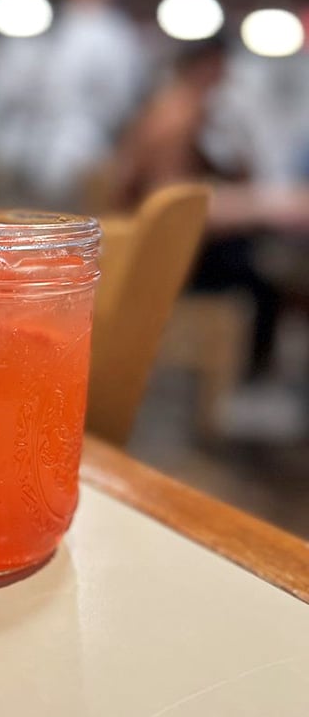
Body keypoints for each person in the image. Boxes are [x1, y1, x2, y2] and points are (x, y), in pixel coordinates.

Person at [113, 35, 308, 438]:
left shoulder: (179, 109)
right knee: (265, 280)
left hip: (160, 248)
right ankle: (250, 389)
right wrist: (249, 206)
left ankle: (252, 385)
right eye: (222, 67)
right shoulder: (179, 115)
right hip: (165, 262)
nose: (228, 77)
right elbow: (170, 201)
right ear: (206, 66)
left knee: (259, 260)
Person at [0, 0, 143, 211]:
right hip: (47, 146)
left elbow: (4, 88)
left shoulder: (102, 30)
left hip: (59, 147)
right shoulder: (97, 30)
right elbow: (119, 98)